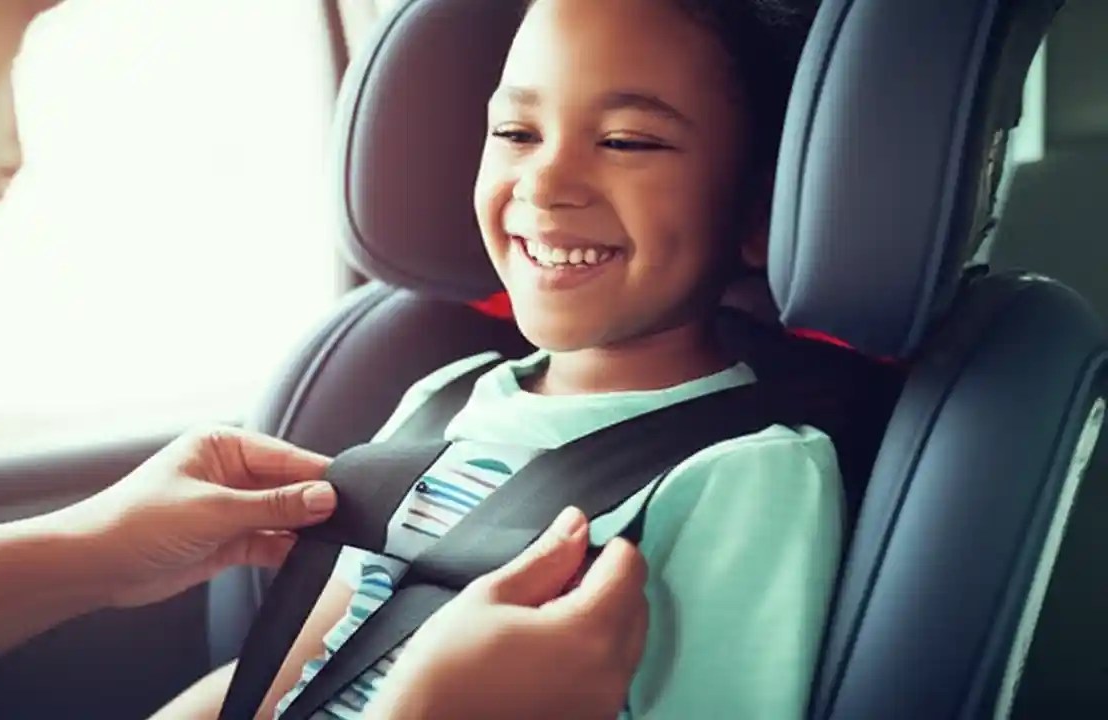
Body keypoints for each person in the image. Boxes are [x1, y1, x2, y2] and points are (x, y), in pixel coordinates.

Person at [0, 1, 649, 719]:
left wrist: (88, 550)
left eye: (629, 140)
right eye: (5, 38)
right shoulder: (431, 396)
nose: (4, 163)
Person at [161, 0, 839, 717]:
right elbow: (286, 675)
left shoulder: (746, 477)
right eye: (518, 133)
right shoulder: (443, 399)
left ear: (758, 210)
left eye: (626, 141)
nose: (545, 184)